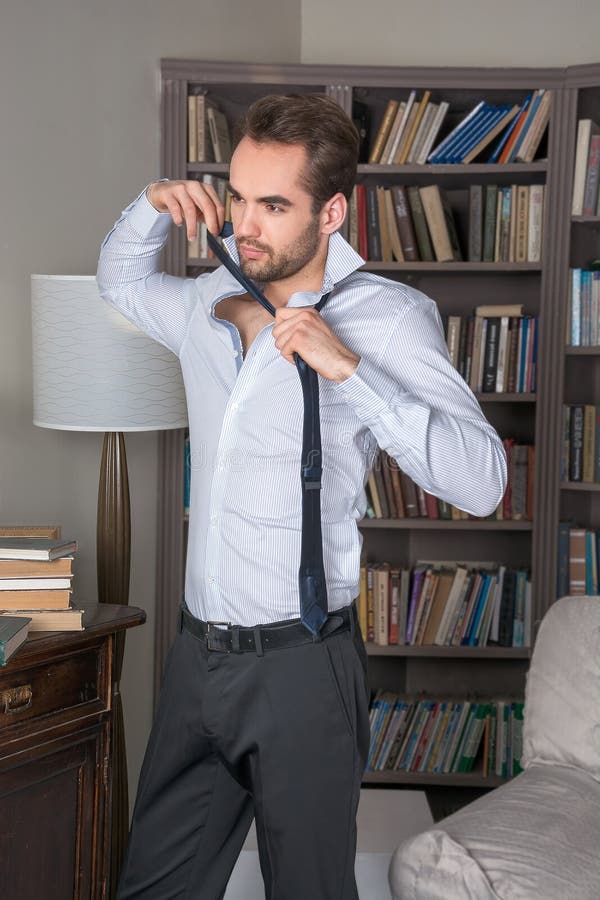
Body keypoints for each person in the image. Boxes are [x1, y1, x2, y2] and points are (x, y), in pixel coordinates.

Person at [97, 93, 507, 900]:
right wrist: (150, 207)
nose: (245, 225)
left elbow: (484, 483)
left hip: (303, 669)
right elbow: (119, 283)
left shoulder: (384, 319)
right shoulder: (206, 306)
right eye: (238, 197)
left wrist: (350, 370)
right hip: (196, 664)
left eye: (274, 205)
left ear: (332, 213)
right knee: (151, 887)